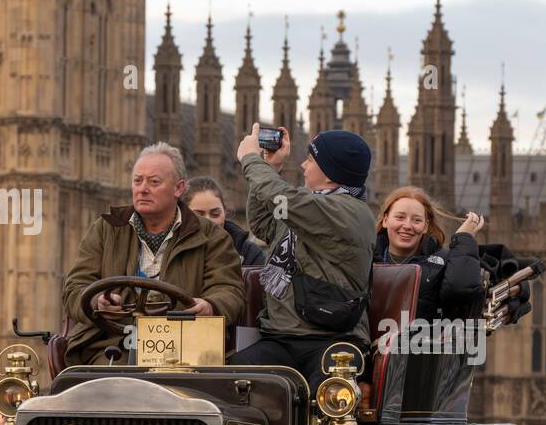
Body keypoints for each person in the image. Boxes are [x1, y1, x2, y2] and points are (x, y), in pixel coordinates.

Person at [61, 143, 246, 366]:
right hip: (113, 344)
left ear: (179, 188)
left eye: (154, 182)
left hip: (185, 346)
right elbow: (74, 288)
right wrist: (97, 301)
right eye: (137, 181)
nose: (142, 189)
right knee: (110, 388)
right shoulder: (106, 229)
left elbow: (230, 291)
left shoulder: (212, 237)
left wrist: (211, 306)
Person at [229, 124, 376, 391]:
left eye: (310, 160)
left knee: (327, 396)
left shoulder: (349, 213)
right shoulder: (307, 205)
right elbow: (263, 224)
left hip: (333, 339)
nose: (302, 165)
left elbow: (285, 200)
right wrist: (270, 167)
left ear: (330, 174)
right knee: (235, 383)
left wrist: (251, 160)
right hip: (281, 338)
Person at [374, 186, 483, 319]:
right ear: (385, 220)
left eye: (417, 220)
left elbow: (459, 291)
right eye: (400, 217)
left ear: (426, 226)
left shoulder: (442, 261)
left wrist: (463, 240)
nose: (407, 226)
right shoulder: (366, 258)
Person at [185, 175, 266, 267]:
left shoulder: (249, 253)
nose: (209, 221)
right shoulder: (170, 249)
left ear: (225, 212)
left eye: (215, 214)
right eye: (199, 215)